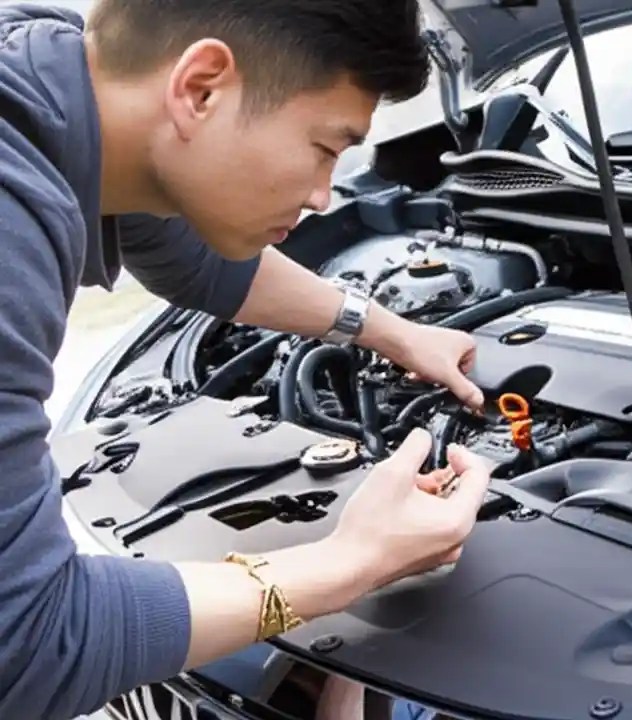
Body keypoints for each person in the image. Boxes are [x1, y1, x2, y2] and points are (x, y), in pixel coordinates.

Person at [0, 2, 495, 718]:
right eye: (326, 148)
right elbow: (29, 646)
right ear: (201, 87)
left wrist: (393, 332)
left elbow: (196, 261)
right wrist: (354, 564)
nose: (327, 195)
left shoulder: (55, 69)